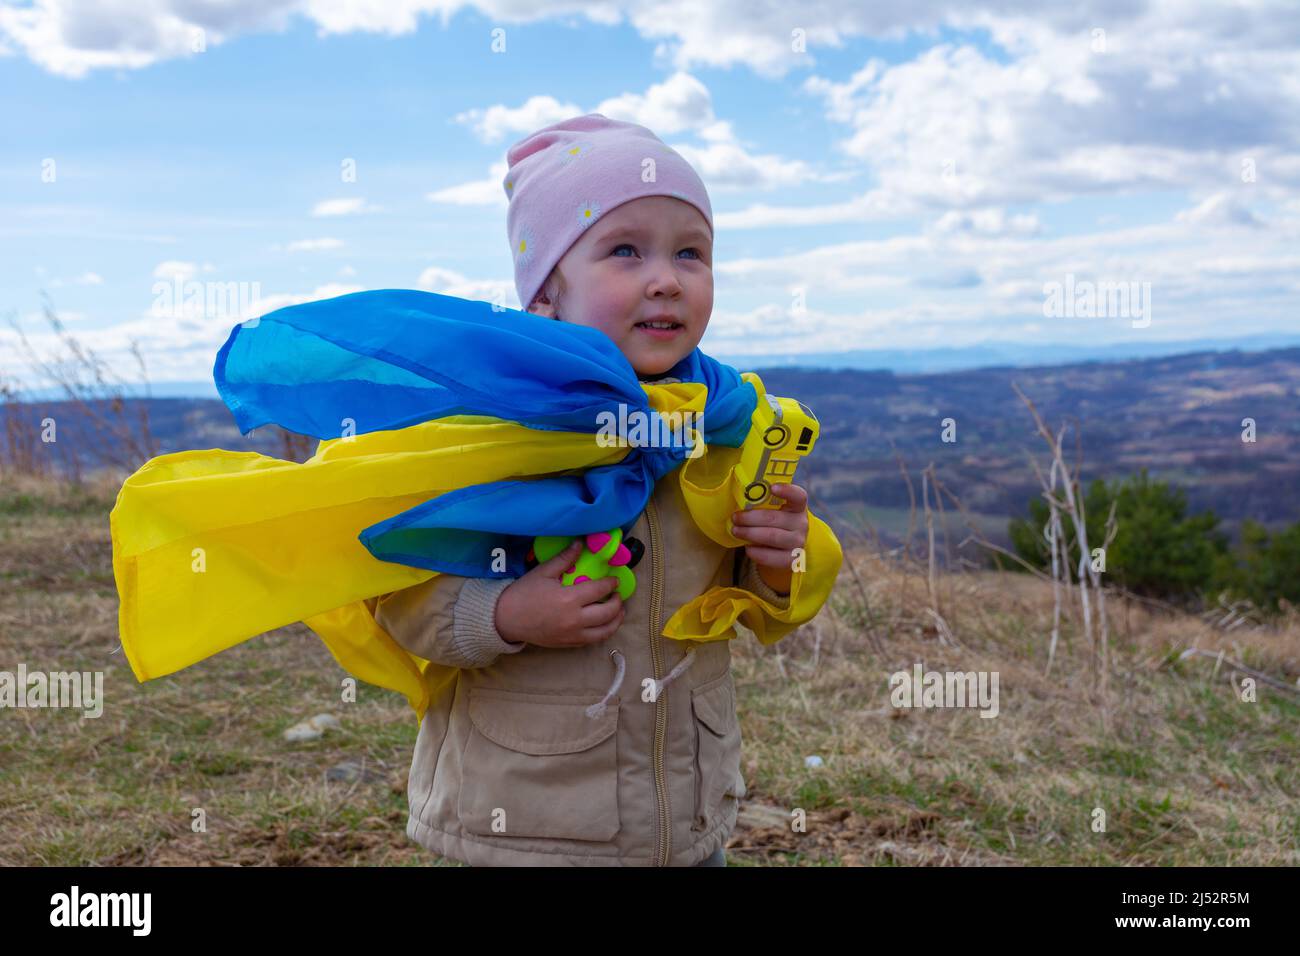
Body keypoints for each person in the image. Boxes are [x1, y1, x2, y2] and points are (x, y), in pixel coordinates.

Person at [372, 114, 819, 866]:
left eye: (691, 252)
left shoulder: (724, 425)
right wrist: (507, 612)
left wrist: (780, 562)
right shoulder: (494, 435)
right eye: (625, 250)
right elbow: (398, 594)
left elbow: (760, 602)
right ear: (547, 292)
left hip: (683, 814)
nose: (667, 277)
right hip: (522, 823)